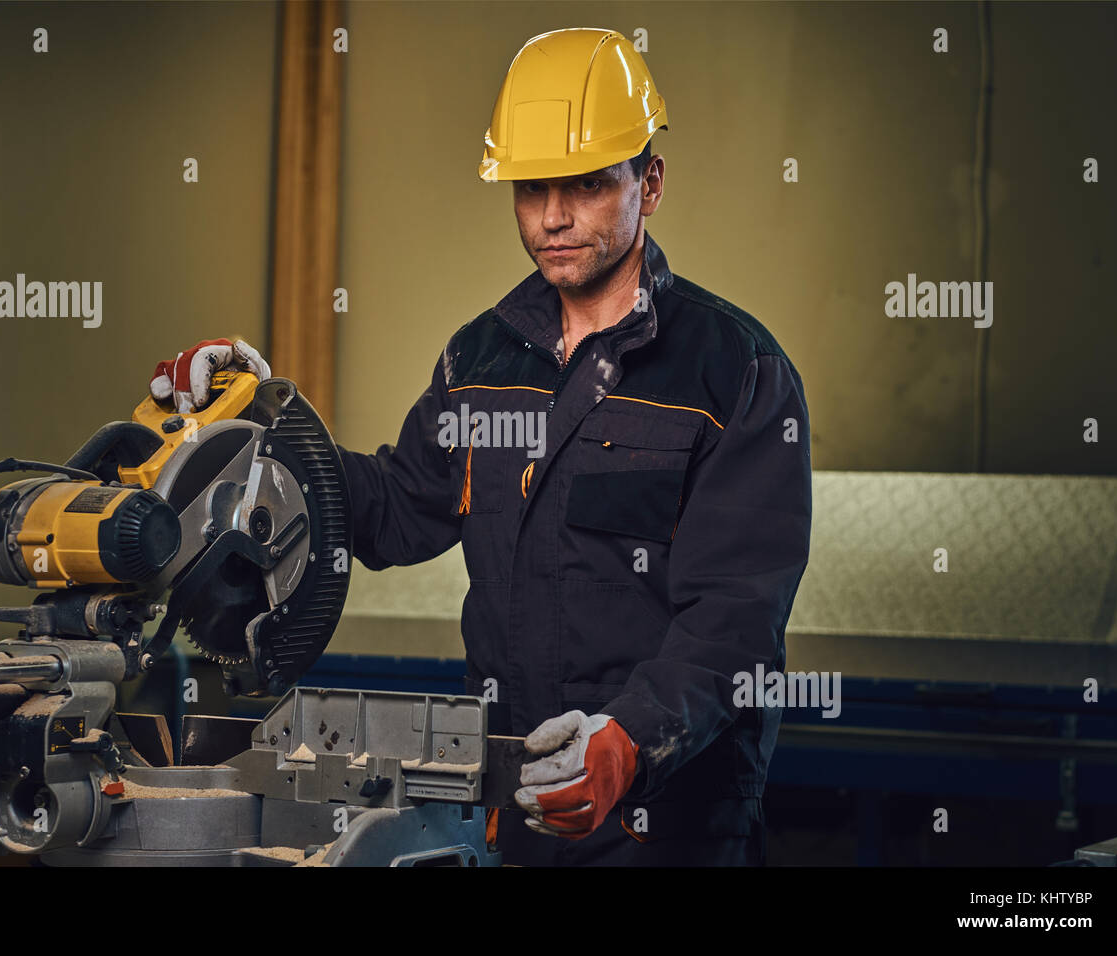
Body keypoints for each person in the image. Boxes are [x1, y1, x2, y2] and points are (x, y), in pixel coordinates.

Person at [154, 27, 811, 866]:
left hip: (668, 816)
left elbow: (735, 620)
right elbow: (392, 511)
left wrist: (629, 741)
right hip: (511, 799)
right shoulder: (481, 358)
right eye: (532, 189)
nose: (554, 217)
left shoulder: (734, 373)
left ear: (649, 181)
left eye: (586, 185)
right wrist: (255, 418)